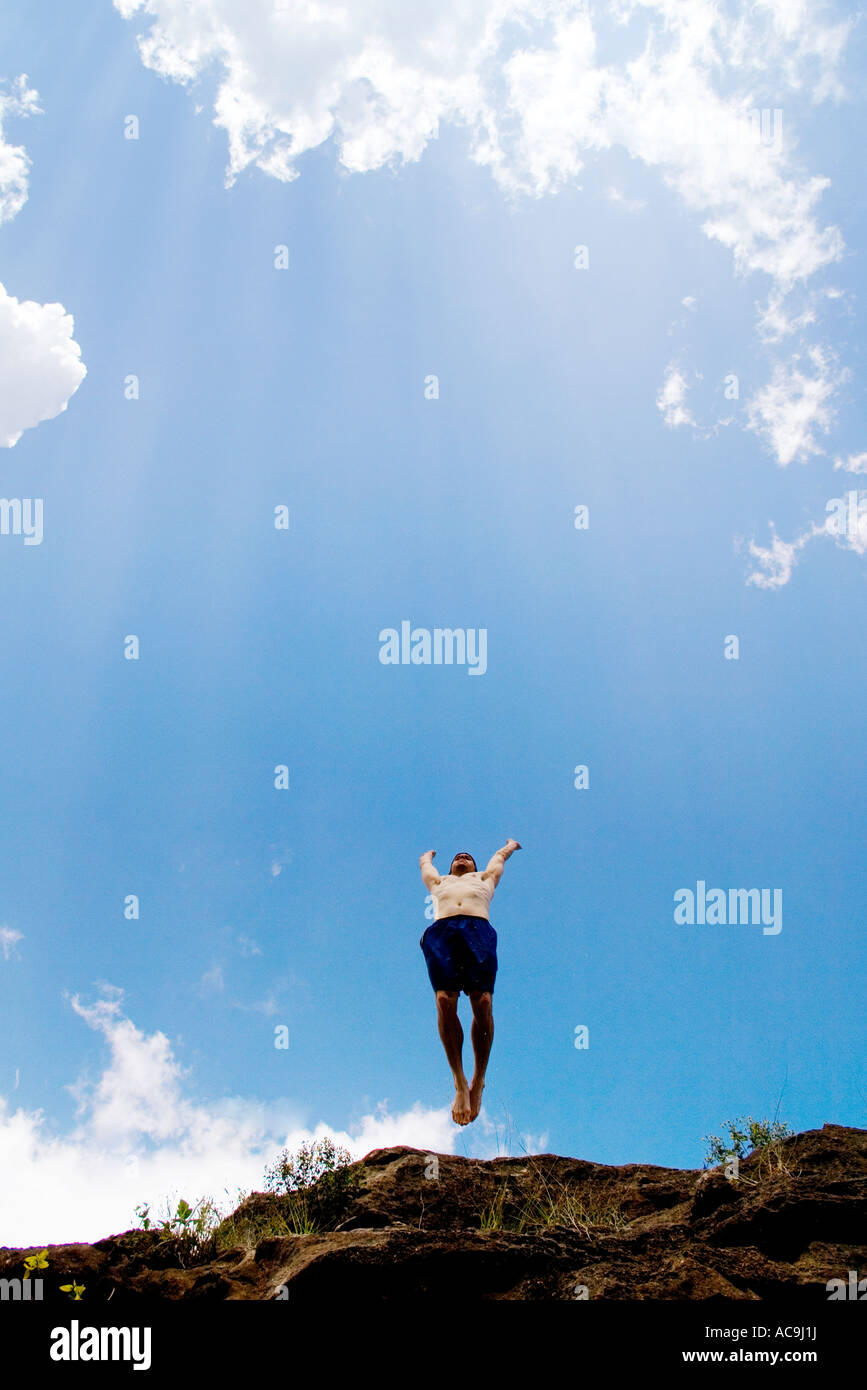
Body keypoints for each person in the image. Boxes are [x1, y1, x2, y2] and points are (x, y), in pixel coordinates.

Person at [418, 841, 521, 1125]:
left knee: (483, 1001)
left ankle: (479, 1079)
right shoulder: (440, 882)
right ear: (449, 868)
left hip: (478, 930)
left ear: (477, 867)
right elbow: (425, 868)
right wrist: (426, 856)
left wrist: (508, 847)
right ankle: (460, 1082)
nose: (462, 856)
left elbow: (499, 859)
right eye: (457, 857)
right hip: (443, 931)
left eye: (468, 857)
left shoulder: (485, 879)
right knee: (444, 1000)